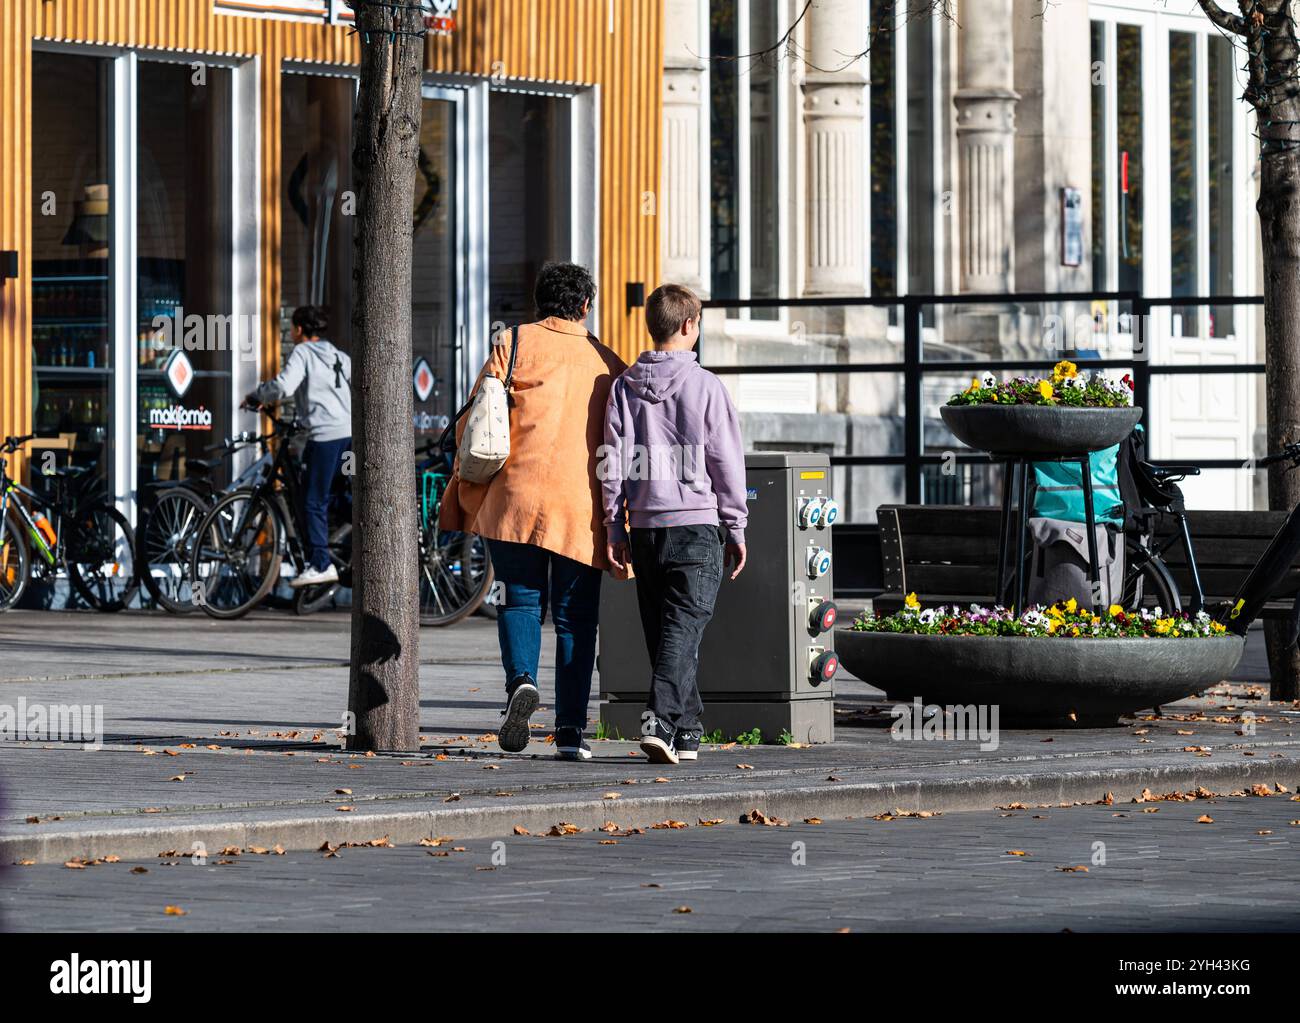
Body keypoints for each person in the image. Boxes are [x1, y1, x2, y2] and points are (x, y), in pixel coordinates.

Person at [440, 262, 628, 761]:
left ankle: (520, 682)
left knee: (520, 601)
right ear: (586, 305)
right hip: (579, 507)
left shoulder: (515, 341)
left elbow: (479, 415)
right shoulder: (608, 363)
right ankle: (570, 733)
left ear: (539, 300)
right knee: (576, 619)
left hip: (514, 498)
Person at [601, 284, 747, 765]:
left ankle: (687, 729)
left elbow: (611, 461)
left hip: (645, 528)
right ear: (688, 326)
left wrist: (614, 526)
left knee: (668, 633)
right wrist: (737, 524)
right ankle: (659, 719)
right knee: (682, 629)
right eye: (699, 322)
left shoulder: (623, 387)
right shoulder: (706, 386)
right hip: (695, 525)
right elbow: (726, 461)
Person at [244, 305, 351, 589]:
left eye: (292, 328)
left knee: (312, 502)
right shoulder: (339, 355)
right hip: (349, 437)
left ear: (300, 329)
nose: (291, 333)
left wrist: (257, 396)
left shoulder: (303, 352)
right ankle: (351, 556)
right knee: (340, 498)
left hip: (325, 437)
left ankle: (320, 564)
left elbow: (284, 387)